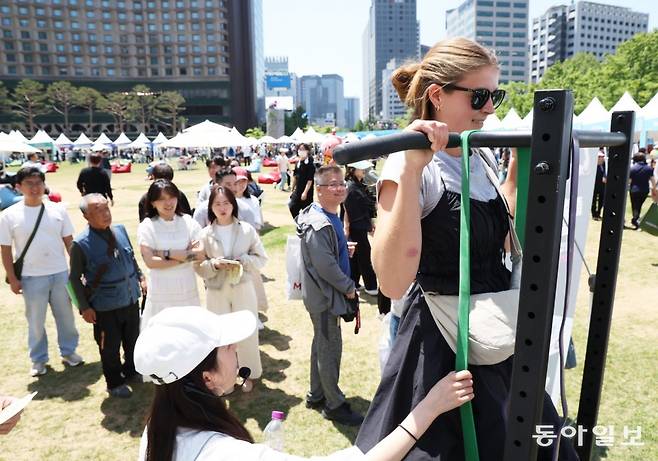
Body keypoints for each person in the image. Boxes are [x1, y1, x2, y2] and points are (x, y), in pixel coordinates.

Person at [355, 37, 578, 460]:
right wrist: (411, 165)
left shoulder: (482, 155)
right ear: (437, 96)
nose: (490, 108)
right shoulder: (408, 164)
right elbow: (392, 281)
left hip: (498, 329)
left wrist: (517, 166)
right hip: (445, 342)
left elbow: (503, 236)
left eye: (495, 95)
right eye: (479, 95)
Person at [135, 306, 475, 461]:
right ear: (205, 377)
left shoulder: (159, 429)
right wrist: (429, 407)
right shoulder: (222, 453)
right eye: (226, 346)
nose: (236, 348)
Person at [295, 165, 364, 426]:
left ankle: (316, 394)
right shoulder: (319, 222)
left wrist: (341, 248)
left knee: (321, 343)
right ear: (319, 190)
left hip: (323, 296)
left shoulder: (326, 215)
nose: (339, 188)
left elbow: (323, 254)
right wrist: (348, 287)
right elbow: (324, 266)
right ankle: (333, 404)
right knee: (330, 348)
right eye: (332, 184)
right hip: (325, 298)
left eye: (341, 183)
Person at [0, 167, 83, 377]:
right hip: (30, 277)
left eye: (39, 183)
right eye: (29, 183)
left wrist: (76, 271)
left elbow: (69, 242)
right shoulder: (9, 215)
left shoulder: (58, 210)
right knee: (35, 321)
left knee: (66, 318)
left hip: (60, 274)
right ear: (18, 187)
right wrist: (12, 277)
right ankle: (38, 360)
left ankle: (69, 352)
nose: (35, 188)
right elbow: (6, 249)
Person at [69, 194, 146, 398]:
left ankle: (132, 370)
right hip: (104, 306)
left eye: (106, 208)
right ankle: (114, 382)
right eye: (98, 211)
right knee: (109, 347)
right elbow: (74, 279)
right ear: (86, 216)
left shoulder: (120, 230)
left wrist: (140, 277)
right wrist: (84, 307)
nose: (105, 214)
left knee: (133, 340)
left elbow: (130, 258)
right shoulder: (80, 244)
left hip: (130, 298)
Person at [194, 186, 267, 392]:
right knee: (219, 336)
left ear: (233, 204)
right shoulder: (205, 234)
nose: (222, 208)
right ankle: (222, 379)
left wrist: (243, 260)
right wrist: (214, 264)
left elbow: (261, 258)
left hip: (243, 287)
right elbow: (198, 266)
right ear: (210, 207)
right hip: (216, 290)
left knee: (247, 332)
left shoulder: (246, 229)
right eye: (217, 204)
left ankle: (247, 373)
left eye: (226, 203)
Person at [137, 179, 205, 330]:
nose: (168, 203)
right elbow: (151, 262)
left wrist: (166, 254)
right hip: (161, 290)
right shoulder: (147, 226)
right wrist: (185, 256)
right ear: (153, 203)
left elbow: (200, 254)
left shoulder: (188, 222)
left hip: (186, 288)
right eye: (161, 199)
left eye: (171, 197)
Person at [343, 160, 378, 296]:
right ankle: (371, 286)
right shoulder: (351, 187)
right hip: (356, 226)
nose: (363, 171)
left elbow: (366, 207)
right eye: (360, 168)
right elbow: (351, 211)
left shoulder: (358, 185)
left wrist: (370, 222)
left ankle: (354, 282)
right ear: (352, 170)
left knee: (357, 255)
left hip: (360, 225)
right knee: (364, 256)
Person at [628, 152, 657, 229]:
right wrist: (654, 190)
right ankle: (636, 219)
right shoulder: (649, 168)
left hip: (634, 189)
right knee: (639, 205)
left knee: (635, 205)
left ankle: (635, 219)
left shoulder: (632, 168)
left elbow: (629, 181)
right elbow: (653, 180)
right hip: (644, 190)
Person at [289, 143, 316, 219]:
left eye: (303, 149)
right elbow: (295, 177)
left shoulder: (310, 165)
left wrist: (305, 192)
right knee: (292, 207)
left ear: (307, 151)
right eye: (300, 149)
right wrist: (292, 188)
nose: (301, 151)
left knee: (306, 211)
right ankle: (299, 223)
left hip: (307, 191)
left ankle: (305, 227)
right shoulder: (298, 163)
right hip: (297, 190)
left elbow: (310, 180)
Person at [591, 148, 607, 220]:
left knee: (601, 200)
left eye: (602, 157)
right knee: (593, 200)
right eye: (599, 157)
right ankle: (594, 214)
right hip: (594, 186)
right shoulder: (592, 166)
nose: (601, 158)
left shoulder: (604, 166)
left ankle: (598, 213)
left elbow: (606, 174)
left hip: (602, 186)